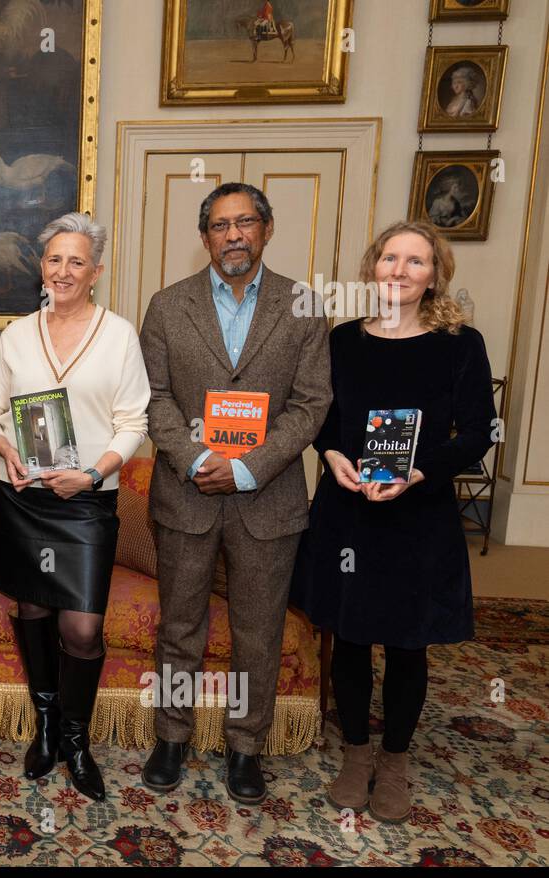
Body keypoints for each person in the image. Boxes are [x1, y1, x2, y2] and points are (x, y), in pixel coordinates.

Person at [290, 221, 495, 823]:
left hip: (418, 514)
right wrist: (331, 456)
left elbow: (477, 434)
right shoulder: (342, 341)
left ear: (436, 274)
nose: (400, 270)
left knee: (408, 642)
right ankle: (357, 754)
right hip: (348, 508)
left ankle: (396, 762)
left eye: (416, 261)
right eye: (390, 258)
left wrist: (417, 474)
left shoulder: (460, 343)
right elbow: (321, 419)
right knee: (350, 636)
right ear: (372, 266)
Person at [138, 182, 331, 804]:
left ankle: (247, 748)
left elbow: (311, 404)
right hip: (185, 496)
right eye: (221, 225)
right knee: (180, 627)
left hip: (266, 500)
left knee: (259, 631)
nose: (234, 235)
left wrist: (248, 466)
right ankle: (171, 737)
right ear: (205, 237)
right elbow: (156, 398)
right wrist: (197, 457)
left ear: (267, 229)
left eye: (246, 222)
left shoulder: (303, 306)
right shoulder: (168, 306)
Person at [0, 212, 149, 802]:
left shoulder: (120, 335)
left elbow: (133, 423)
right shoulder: (17, 334)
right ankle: (46, 726)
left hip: (86, 499)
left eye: (77, 261)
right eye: (54, 259)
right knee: (33, 609)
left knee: (81, 624)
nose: (64, 270)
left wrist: (95, 473)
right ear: (41, 267)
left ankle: (77, 737)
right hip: (22, 493)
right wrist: (2, 447)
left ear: (96, 272)